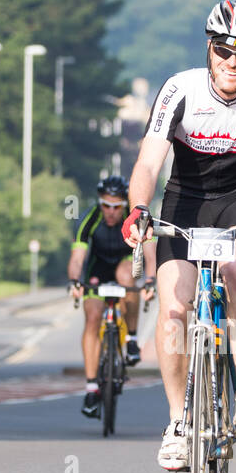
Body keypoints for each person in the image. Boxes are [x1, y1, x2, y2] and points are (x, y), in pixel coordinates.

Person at [122, 0, 236, 471]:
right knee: (174, 308)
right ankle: (178, 423)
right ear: (209, 48)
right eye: (223, 50)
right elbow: (149, 160)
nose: (231, 62)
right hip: (187, 199)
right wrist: (139, 208)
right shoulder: (180, 88)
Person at [68, 175, 158, 419]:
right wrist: (75, 281)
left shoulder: (134, 217)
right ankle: (90, 388)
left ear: (123, 205)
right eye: (105, 205)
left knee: (127, 277)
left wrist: (150, 280)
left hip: (124, 264)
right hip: (97, 270)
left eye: (116, 207)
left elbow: (150, 253)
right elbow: (77, 257)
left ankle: (131, 338)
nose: (110, 211)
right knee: (93, 317)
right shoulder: (89, 218)